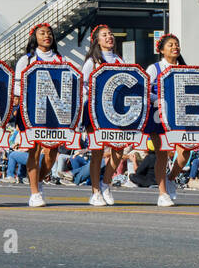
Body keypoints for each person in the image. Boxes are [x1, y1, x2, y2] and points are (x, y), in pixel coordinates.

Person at [12, 23, 75, 208]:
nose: (46, 36)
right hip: (32, 110)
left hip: (55, 112)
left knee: (52, 152)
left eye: (49, 33)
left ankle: (39, 181)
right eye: (42, 33)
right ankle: (34, 192)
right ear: (35, 37)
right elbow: (17, 84)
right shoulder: (27, 59)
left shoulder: (60, 58)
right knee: (35, 149)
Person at [79, 25, 124, 206]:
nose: (109, 37)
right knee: (97, 151)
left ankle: (106, 183)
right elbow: (83, 85)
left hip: (116, 111)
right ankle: (95, 190)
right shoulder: (92, 61)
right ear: (97, 40)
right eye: (104, 35)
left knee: (119, 147)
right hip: (95, 110)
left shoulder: (119, 60)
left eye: (111, 34)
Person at [145, 33, 190, 207]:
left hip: (181, 116)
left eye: (176, 44)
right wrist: (160, 100)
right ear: (162, 49)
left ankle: (171, 178)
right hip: (159, 116)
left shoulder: (185, 68)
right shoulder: (154, 68)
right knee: (162, 153)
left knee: (186, 151)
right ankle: (162, 193)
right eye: (170, 45)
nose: (174, 47)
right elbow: (145, 89)